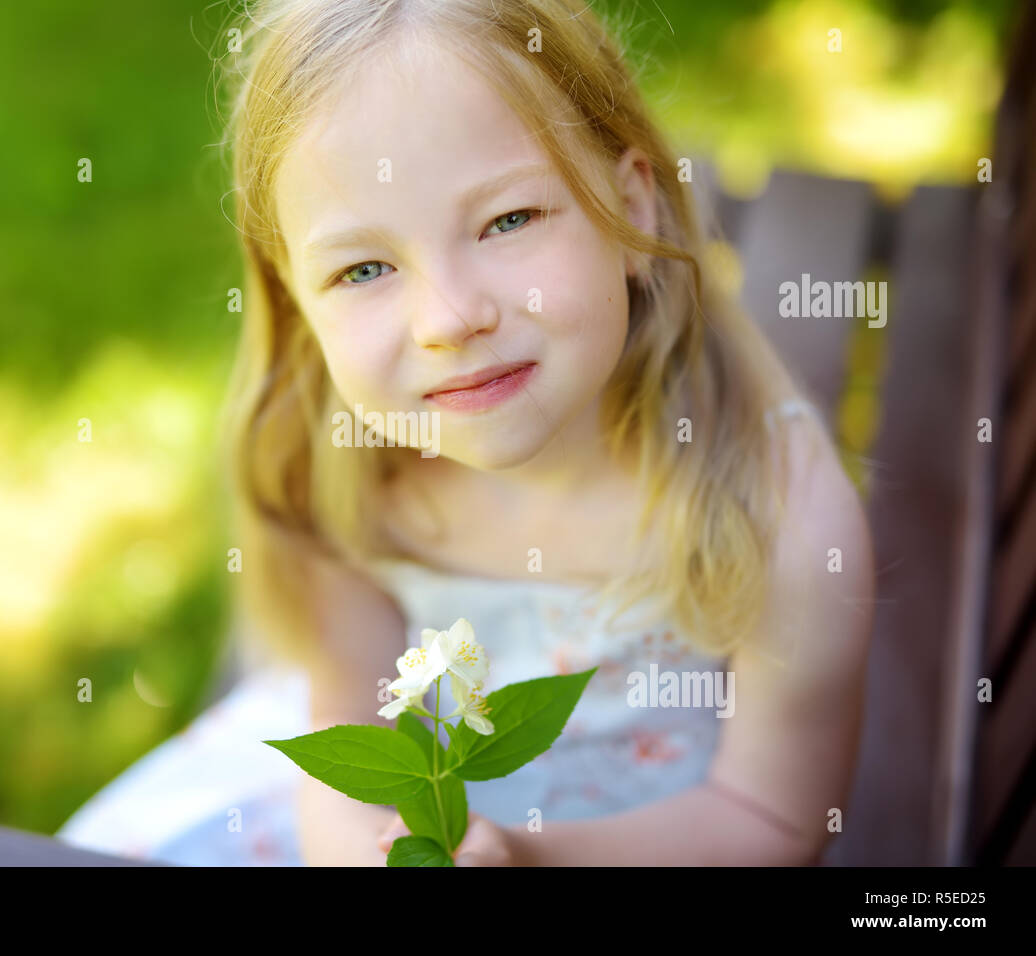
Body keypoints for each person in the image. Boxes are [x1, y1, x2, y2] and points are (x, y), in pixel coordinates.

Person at [57, 0, 875, 866]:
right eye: (365, 268)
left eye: (508, 221)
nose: (449, 318)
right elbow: (347, 735)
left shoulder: (775, 514)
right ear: (297, 298)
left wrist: (530, 859)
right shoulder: (349, 470)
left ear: (633, 204)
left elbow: (772, 823)